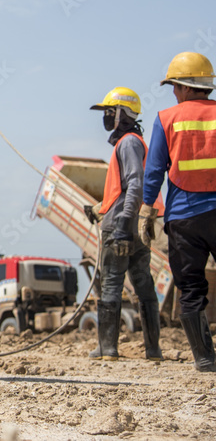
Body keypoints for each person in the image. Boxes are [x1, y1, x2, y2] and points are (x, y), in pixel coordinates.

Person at [142, 51, 216, 373]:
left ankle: (204, 358)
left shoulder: (166, 118)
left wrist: (147, 209)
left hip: (184, 218)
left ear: (185, 87)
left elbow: (155, 169)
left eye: (174, 86)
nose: (173, 92)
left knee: (191, 287)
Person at [87, 87, 162, 361]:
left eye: (109, 112)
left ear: (123, 114)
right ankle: (153, 350)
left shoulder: (128, 143)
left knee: (110, 285)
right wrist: (98, 209)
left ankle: (107, 348)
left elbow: (135, 186)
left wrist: (120, 226)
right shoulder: (134, 142)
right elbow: (120, 192)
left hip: (121, 228)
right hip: (134, 227)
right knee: (144, 286)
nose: (106, 118)